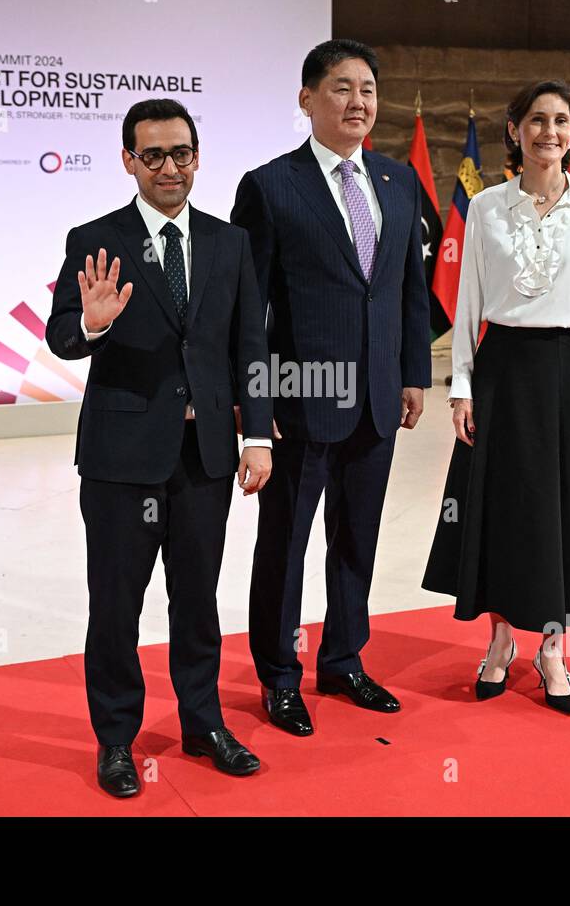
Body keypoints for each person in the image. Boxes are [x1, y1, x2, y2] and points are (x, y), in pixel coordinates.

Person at [46, 98, 274, 797]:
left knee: (197, 600)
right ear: (129, 162)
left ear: (197, 157)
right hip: (121, 461)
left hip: (204, 456)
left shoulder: (229, 243)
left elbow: (250, 347)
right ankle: (115, 739)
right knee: (116, 606)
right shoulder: (94, 237)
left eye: (182, 153)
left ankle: (203, 723)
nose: (170, 167)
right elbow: (60, 337)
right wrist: (91, 322)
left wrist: (257, 433)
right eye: (154, 156)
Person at [231, 39, 433, 737]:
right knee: (284, 545)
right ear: (307, 99)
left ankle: (344, 658)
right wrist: (256, 406)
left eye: (368, 90)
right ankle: (279, 676)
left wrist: (413, 372)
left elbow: (408, 289)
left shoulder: (398, 181)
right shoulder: (270, 186)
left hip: (378, 397)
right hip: (299, 401)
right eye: (342, 88)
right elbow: (248, 310)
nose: (358, 103)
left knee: (358, 539)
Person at [421, 80, 570, 716]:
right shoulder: (486, 207)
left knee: (564, 513)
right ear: (514, 130)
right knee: (498, 510)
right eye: (537, 120)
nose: (551, 131)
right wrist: (461, 384)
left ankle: (550, 650)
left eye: (562, 120)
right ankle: (498, 642)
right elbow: (467, 305)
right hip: (502, 370)